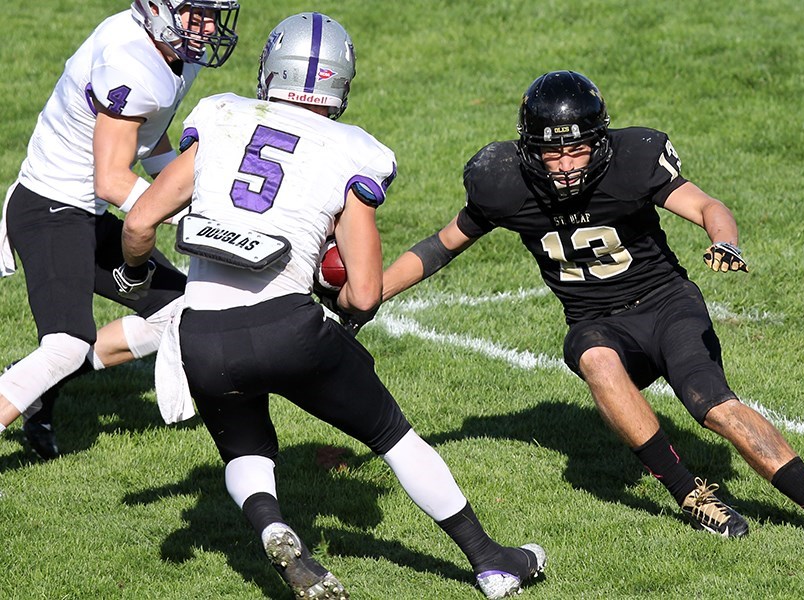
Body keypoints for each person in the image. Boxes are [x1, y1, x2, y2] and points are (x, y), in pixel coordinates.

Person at [118, 13, 547, 599]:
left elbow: (141, 220)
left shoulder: (221, 115)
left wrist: (137, 276)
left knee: (245, 446)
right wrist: (331, 296)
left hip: (204, 337)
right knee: (394, 437)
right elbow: (365, 292)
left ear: (272, 68)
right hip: (287, 329)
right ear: (339, 84)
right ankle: (490, 561)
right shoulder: (353, 150)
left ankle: (272, 526)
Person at [376, 70, 804, 551]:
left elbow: (706, 206)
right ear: (530, 150)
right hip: (599, 324)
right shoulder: (503, 184)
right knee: (594, 359)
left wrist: (725, 241)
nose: (566, 164)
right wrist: (373, 293)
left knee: (713, 405)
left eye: (576, 149)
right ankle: (690, 494)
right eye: (552, 152)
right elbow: (440, 247)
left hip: (666, 304)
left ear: (600, 142)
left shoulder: (633, 162)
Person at [0, 0, 240, 459]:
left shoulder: (173, 51)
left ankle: (32, 380)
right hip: (51, 206)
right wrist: (185, 217)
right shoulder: (129, 59)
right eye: (196, 12)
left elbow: (149, 136)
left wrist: (193, 192)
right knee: (67, 345)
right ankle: (35, 379)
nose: (207, 26)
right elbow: (111, 181)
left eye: (214, 13)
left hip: (85, 211)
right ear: (157, 9)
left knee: (184, 311)